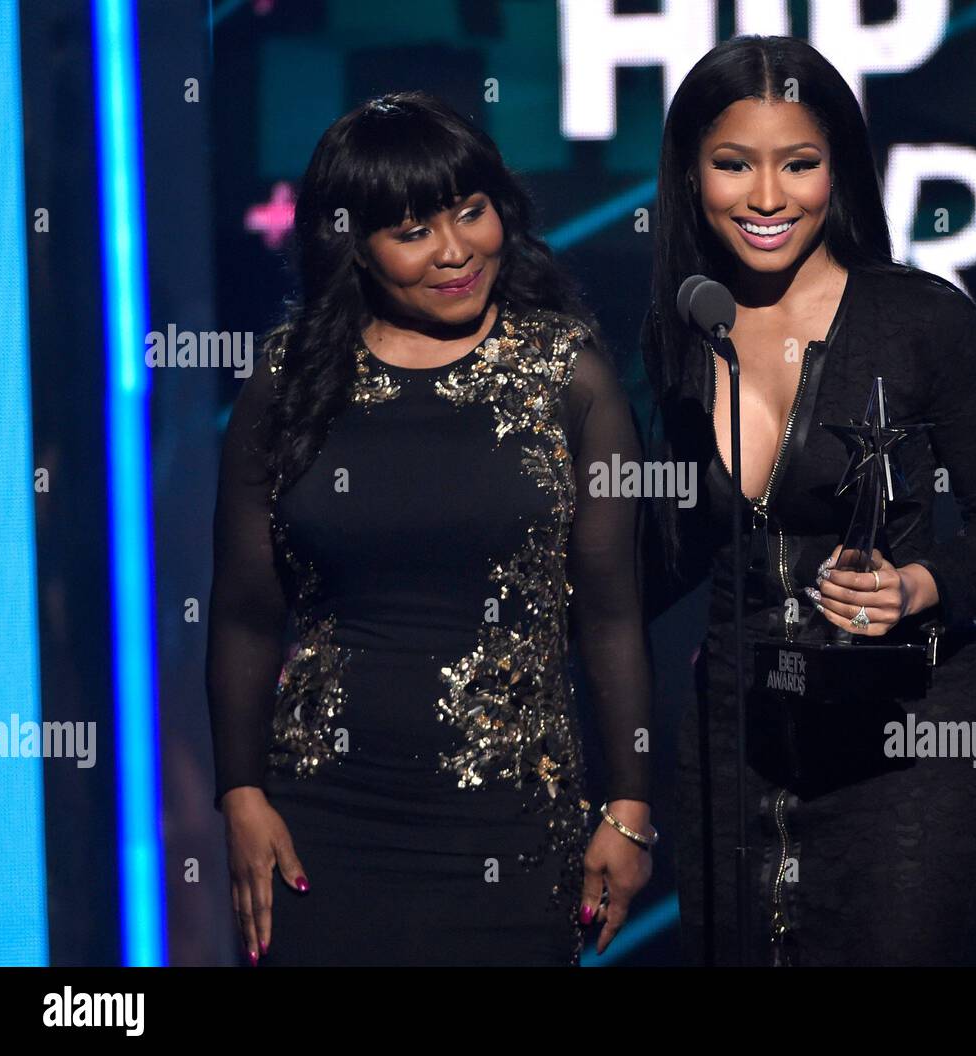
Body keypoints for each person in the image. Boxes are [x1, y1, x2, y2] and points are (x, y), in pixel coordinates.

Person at [205, 91, 654, 967]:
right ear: (354, 246)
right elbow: (245, 614)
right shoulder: (288, 381)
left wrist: (630, 808)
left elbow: (610, 615)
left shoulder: (567, 374)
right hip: (320, 825)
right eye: (413, 232)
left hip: (510, 826)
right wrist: (240, 794)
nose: (455, 251)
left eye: (471, 213)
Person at [641, 36, 976, 966]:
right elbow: (670, 549)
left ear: (840, 170)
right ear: (692, 175)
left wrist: (916, 587)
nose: (767, 197)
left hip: (909, 728)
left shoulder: (923, 319)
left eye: (799, 163)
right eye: (734, 164)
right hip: (741, 729)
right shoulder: (682, 327)